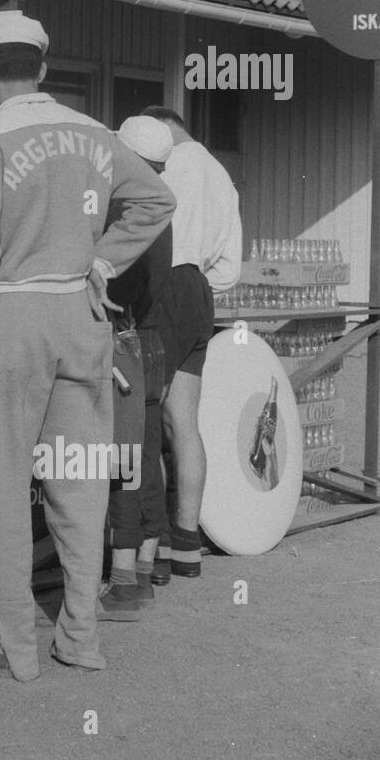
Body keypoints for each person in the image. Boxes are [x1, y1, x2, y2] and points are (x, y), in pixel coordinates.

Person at [0, 14, 175, 680]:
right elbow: (157, 199)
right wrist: (101, 264)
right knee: (80, 479)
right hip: (80, 315)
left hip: (11, 322)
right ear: (42, 68)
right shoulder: (95, 132)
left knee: (8, 488)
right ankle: (81, 638)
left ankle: (18, 651)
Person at [141, 106, 243, 580]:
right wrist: (194, 288)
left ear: (160, 131)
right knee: (183, 420)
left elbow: (143, 233)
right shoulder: (221, 175)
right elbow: (230, 270)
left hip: (162, 286)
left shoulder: (165, 165)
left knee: (144, 419)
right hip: (200, 292)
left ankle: (149, 544)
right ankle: (185, 544)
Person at [98, 116, 177, 620]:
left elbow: (112, 289)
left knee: (122, 463)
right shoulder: (161, 208)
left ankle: (123, 581)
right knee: (146, 459)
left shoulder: (128, 211)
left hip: (123, 345)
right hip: (153, 345)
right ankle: (144, 570)